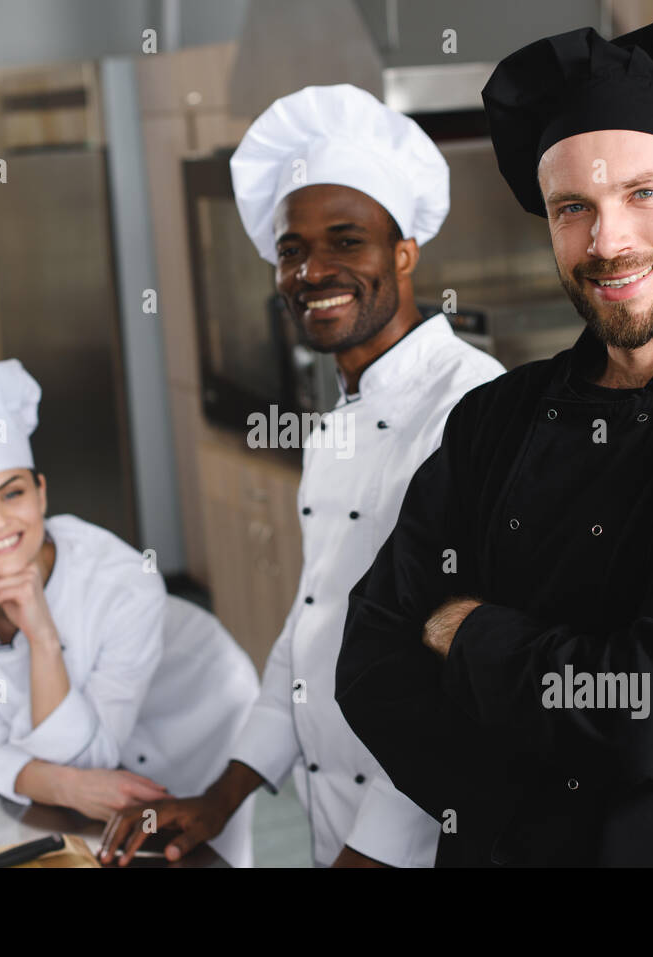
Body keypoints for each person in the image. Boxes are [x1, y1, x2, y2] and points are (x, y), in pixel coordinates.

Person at [336, 21, 653, 867]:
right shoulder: (492, 418)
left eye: (644, 193)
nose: (607, 241)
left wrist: (468, 633)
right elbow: (370, 659)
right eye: (573, 207)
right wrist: (543, 792)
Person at [100, 84, 504, 867]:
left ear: (404, 252)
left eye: (346, 241)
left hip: (422, 841)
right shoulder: (334, 426)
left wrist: (377, 850)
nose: (312, 269)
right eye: (292, 249)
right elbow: (313, 624)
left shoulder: (471, 407)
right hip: (338, 828)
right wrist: (221, 797)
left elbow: (458, 666)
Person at [0, 359, 259, 867]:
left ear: (42, 493)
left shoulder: (123, 581)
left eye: (12, 493)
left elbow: (89, 757)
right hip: (86, 744)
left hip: (192, 704)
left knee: (187, 856)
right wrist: (67, 787)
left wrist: (42, 635)